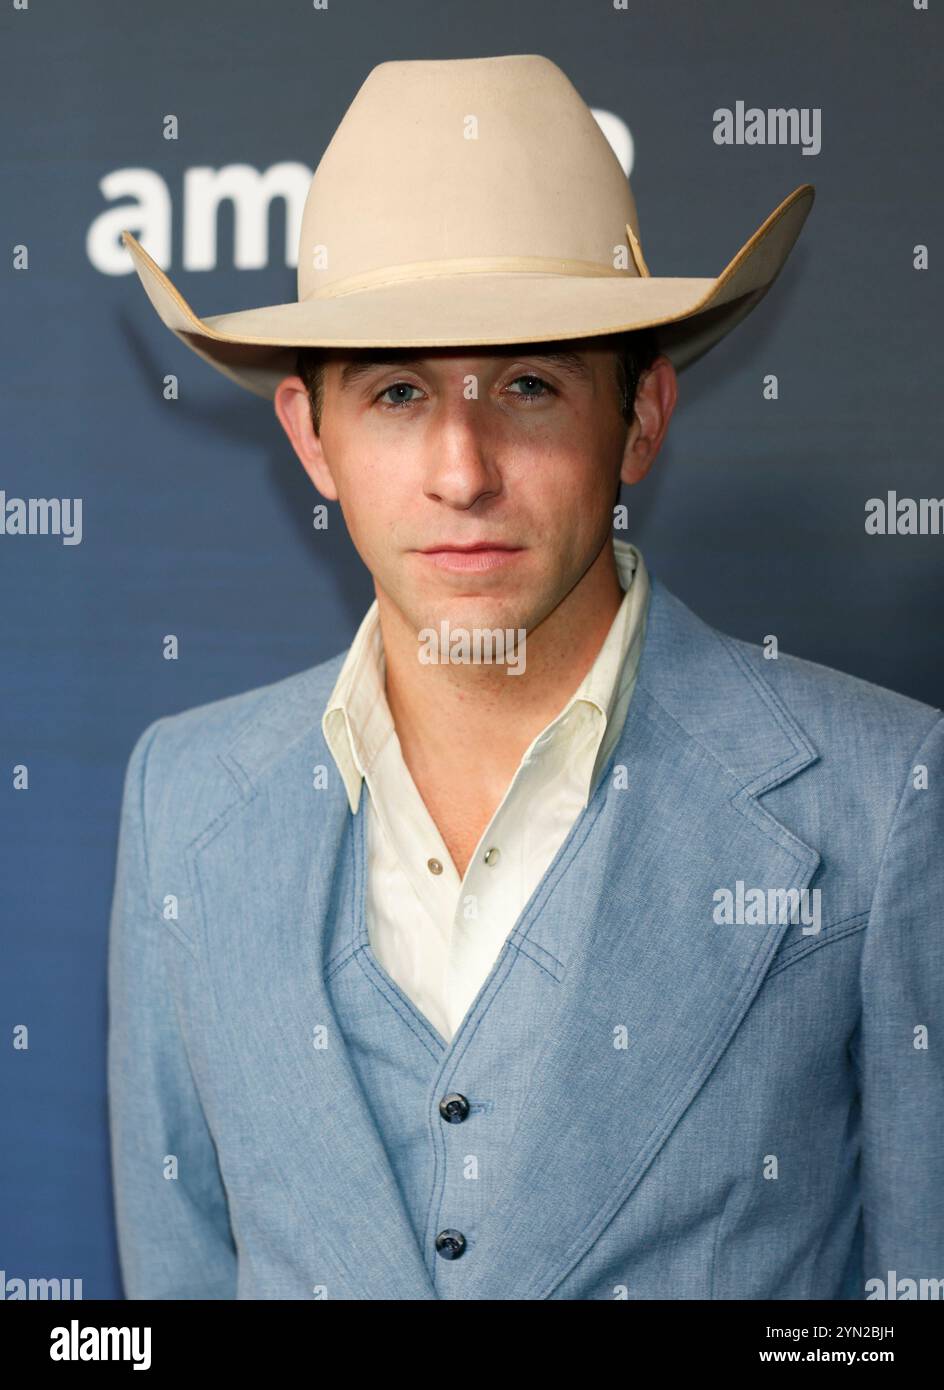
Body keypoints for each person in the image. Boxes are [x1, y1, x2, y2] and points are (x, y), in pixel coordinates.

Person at [108, 54, 943, 1301]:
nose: (462, 467)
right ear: (308, 437)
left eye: (528, 385)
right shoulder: (181, 797)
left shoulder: (879, 798)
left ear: (641, 418)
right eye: (397, 392)